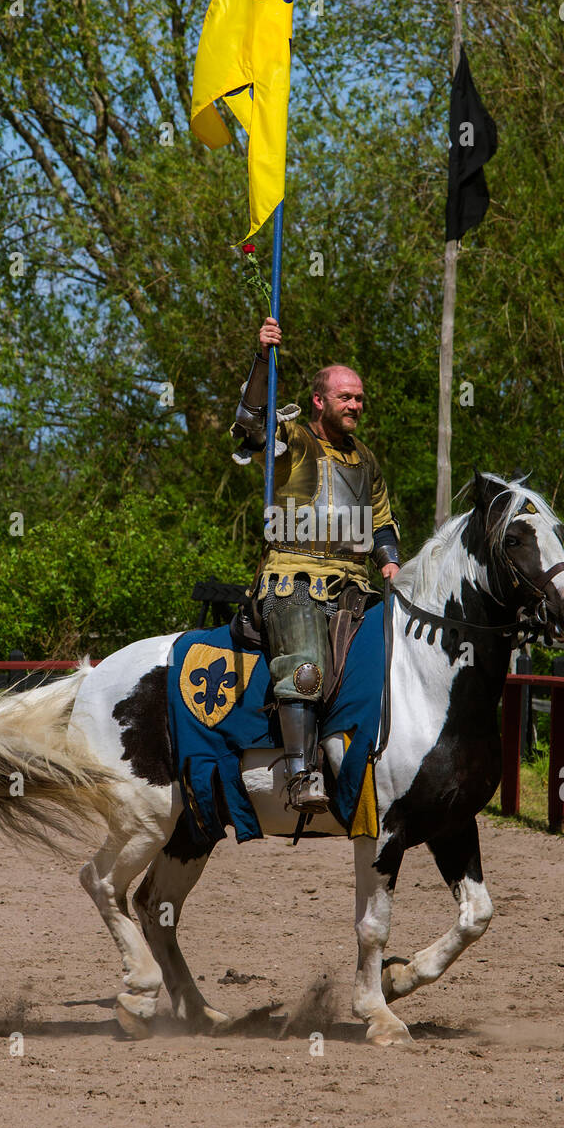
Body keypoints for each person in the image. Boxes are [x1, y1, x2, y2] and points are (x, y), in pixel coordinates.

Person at [231, 317, 400, 813]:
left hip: (354, 586)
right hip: (292, 579)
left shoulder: (365, 459)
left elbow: (383, 523)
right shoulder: (293, 442)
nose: (355, 405)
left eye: (360, 398)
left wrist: (390, 564)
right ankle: (301, 775)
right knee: (305, 670)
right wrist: (263, 357)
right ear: (320, 401)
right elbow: (250, 422)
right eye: (346, 397)